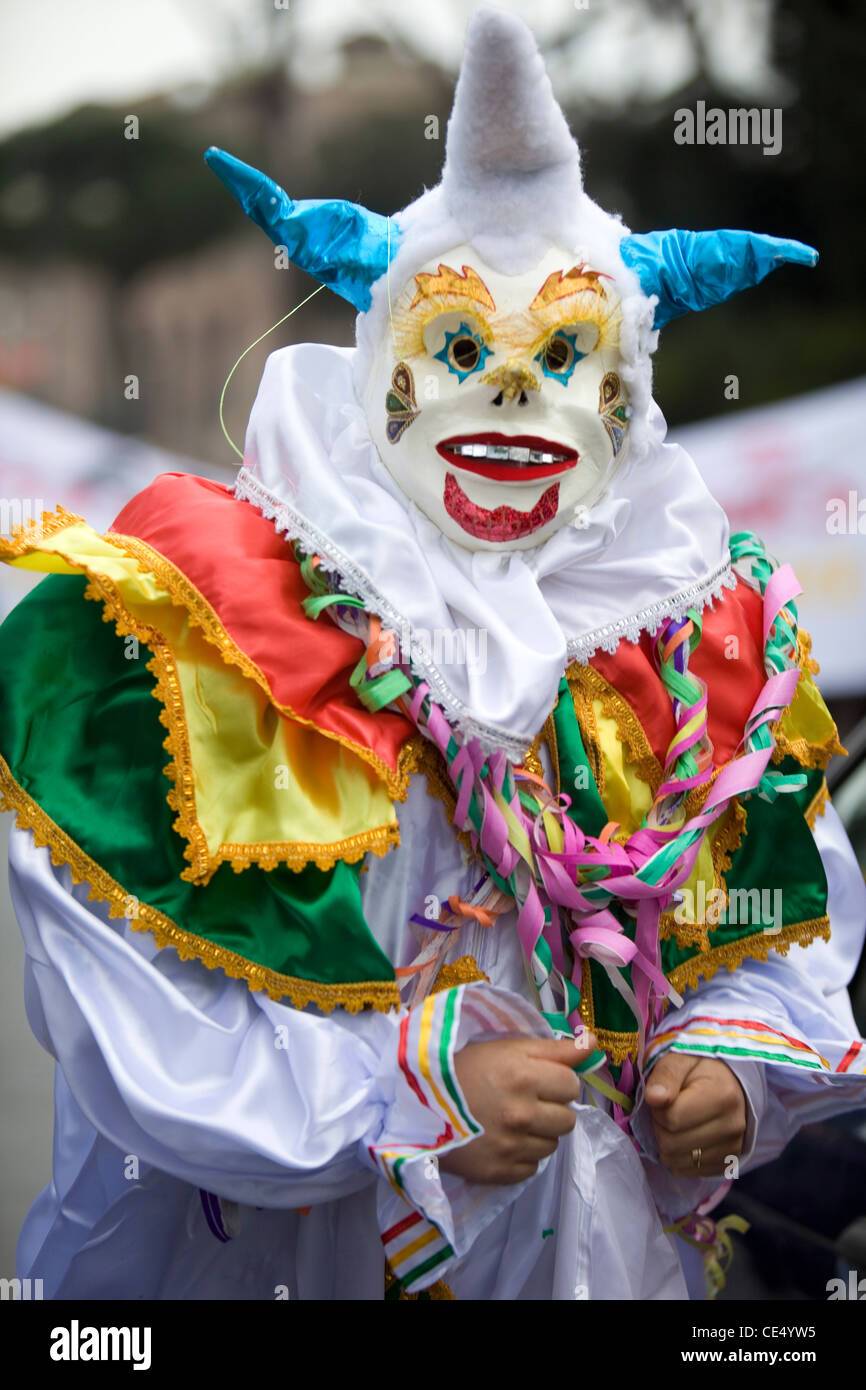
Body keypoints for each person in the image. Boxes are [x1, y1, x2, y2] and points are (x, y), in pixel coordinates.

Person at [2, 7, 865, 1302]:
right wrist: (402, 1084)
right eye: (460, 347)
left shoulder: (693, 634)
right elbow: (129, 1002)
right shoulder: (202, 619)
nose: (512, 392)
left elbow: (768, 925)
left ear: (624, 383)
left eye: (564, 353)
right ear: (383, 356)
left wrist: (735, 1060)